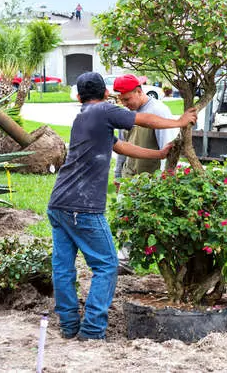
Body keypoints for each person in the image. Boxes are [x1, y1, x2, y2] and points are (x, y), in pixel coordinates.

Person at [47, 71, 197, 341]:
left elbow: (119, 146)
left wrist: (158, 154)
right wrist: (179, 120)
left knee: (63, 267)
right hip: (84, 207)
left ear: (80, 96)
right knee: (106, 265)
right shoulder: (104, 111)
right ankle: (92, 331)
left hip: (58, 203)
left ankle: (69, 326)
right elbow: (145, 119)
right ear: (106, 95)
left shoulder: (82, 117)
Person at [113, 74, 176, 191]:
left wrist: (164, 183)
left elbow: (168, 150)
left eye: (127, 99)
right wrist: (118, 175)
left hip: (151, 183)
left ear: (139, 91)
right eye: (121, 100)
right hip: (128, 179)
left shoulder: (158, 111)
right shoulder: (124, 113)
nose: (124, 104)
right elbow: (121, 147)